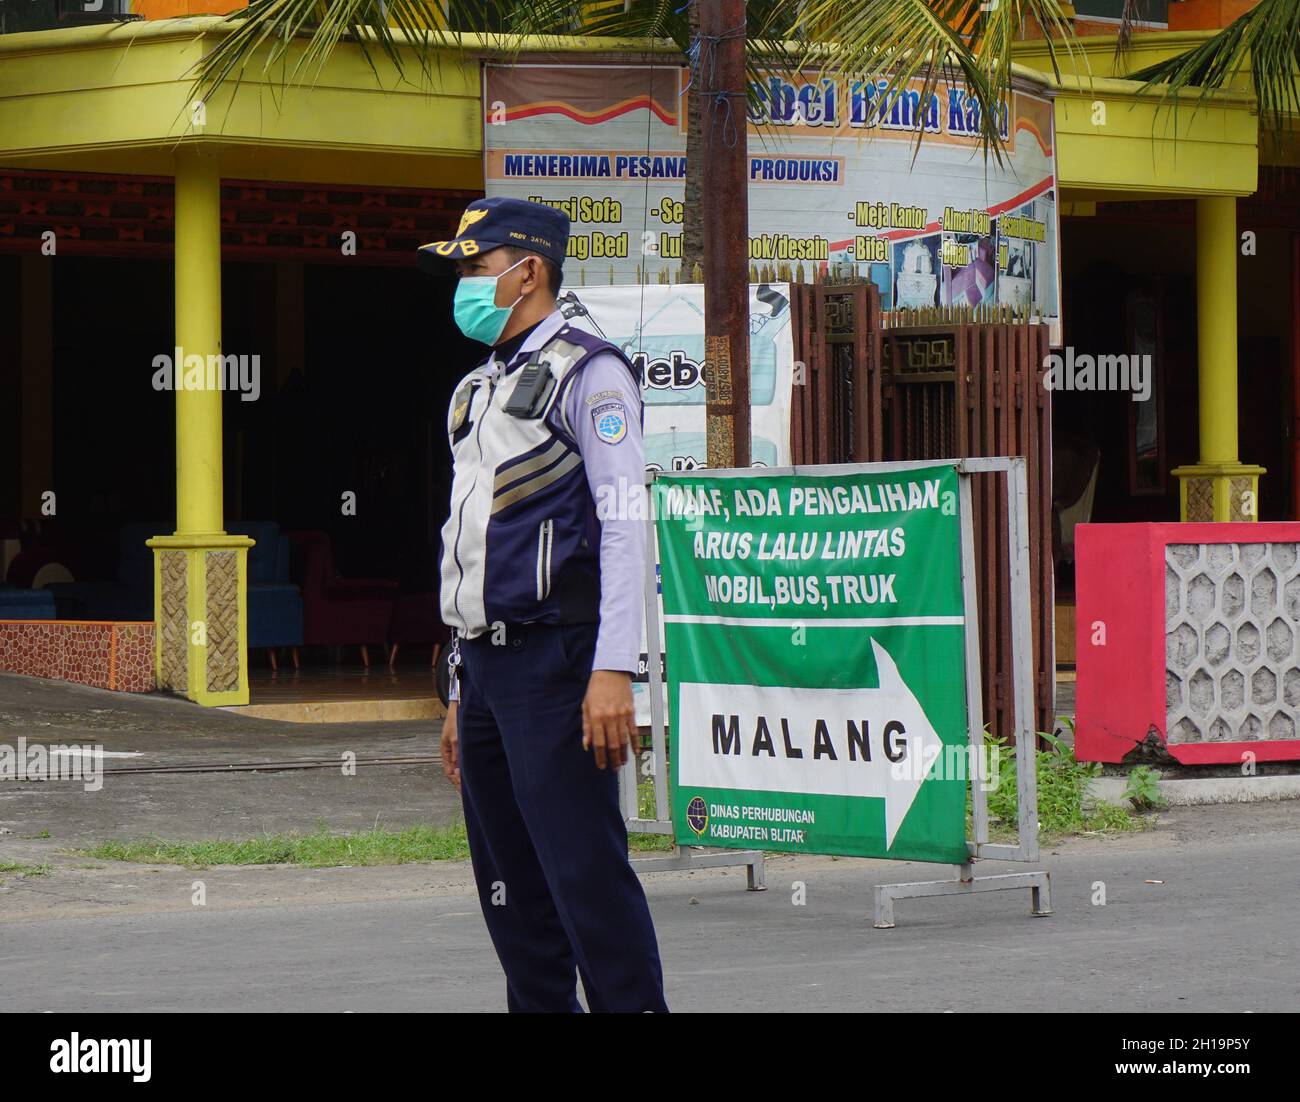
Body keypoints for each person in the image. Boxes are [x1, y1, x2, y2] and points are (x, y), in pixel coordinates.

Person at [419, 197, 668, 1013]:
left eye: (474, 266)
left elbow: (629, 530)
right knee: (513, 898)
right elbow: (470, 548)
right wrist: (459, 686)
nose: (462, 282)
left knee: (584, 881)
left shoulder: (589, 372)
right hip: (486, 672)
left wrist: (614, 671)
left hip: (559, 665)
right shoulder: (475, 390)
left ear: (527, 271)